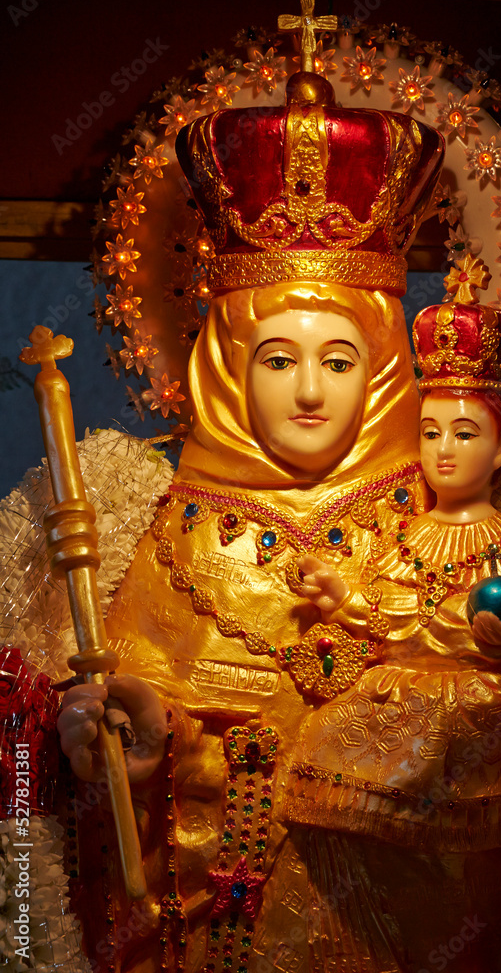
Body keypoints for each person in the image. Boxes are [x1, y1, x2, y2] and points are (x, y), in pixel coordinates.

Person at [56, 68, 447, 973]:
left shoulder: (449, 534)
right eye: (278, 359)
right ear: (228, 368)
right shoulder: (167, 541)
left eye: (338, 360)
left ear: (384, 368)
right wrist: (130, 750)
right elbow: (131, 787)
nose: (308, 392)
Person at [275, 290, 501, 972]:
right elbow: (382, 617)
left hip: (477, 707)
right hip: (394, 700)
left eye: (464, 434)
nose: (444, 451)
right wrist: (340, 595)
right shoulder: (399, 538)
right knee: (318, 751)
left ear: (500, 447)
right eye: (429, 433)